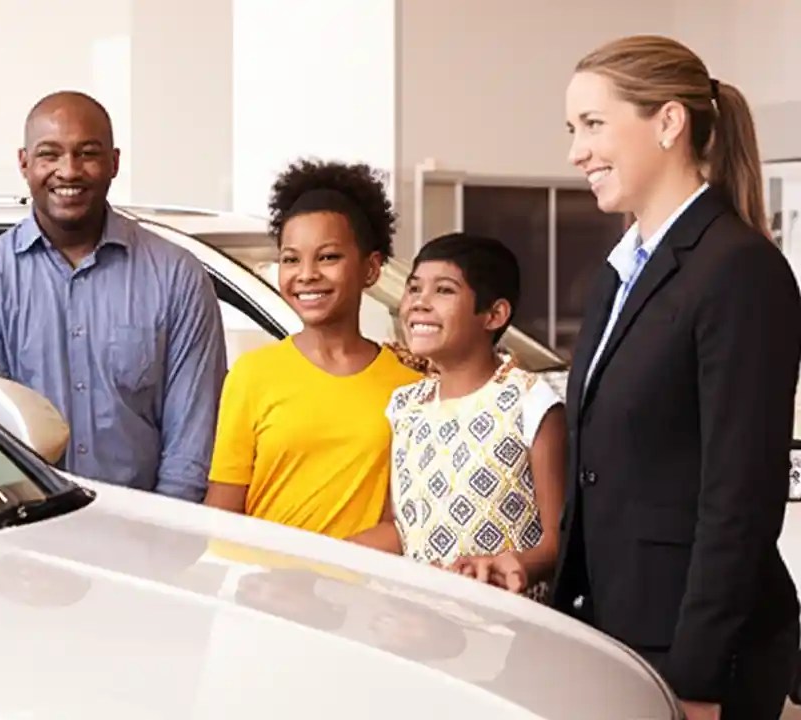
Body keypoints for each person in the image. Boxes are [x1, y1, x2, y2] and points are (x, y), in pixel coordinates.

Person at [554, 35, 801, 720]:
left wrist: (696, 678)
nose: (577, 152)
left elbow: (741, 493)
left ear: (668, 122)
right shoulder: (619, 273)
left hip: (696, 652)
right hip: (614, 628)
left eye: (594, 125)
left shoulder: (737, 269)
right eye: (573, 130)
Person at [0, 90, 227, 502]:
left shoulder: (177, 277)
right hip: (26, 538)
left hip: (147, 537)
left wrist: (164, 543)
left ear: (114, 162)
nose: (68, 171)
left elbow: (192, 445)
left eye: (87, 153)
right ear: (25, 163)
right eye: (50, 155)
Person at [203, 158, 424, 540]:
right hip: (262, 588)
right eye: (291, 259)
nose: (306, 274)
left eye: (328, 257)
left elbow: (407, 525)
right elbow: (222, 515)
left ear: (371, 269)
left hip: (362, 592)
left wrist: (324, 578)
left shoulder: (411, 389)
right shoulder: (252, 375)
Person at [352, 233, 567, 604]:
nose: (419, 302)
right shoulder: (405, 407)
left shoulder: (530, 402)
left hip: (510, 629)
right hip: (423, 620)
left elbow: (558, 539)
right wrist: (317, 555)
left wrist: (511, 565)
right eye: (414, 288)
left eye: (444, 291)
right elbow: (402, 527)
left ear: (494, 315)